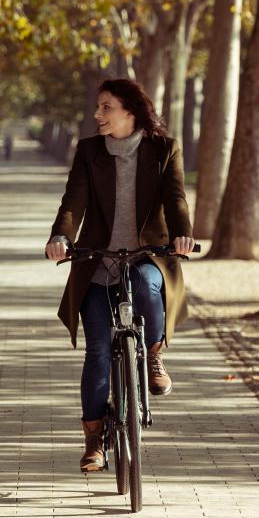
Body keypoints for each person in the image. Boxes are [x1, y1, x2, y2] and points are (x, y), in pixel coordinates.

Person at [45, 78, 194, 473]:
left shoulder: (163, 150)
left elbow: (175, 197)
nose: (98, 115)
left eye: (106, 107)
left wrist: (182, 234)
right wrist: (61, 236)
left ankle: (154, 356)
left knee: (148, 285)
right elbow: (73, 199)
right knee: (97, 352)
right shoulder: (90, 151)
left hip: (147, 254)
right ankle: (94, 441)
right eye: (99, 107)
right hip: (98, 259)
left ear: (131, 111)